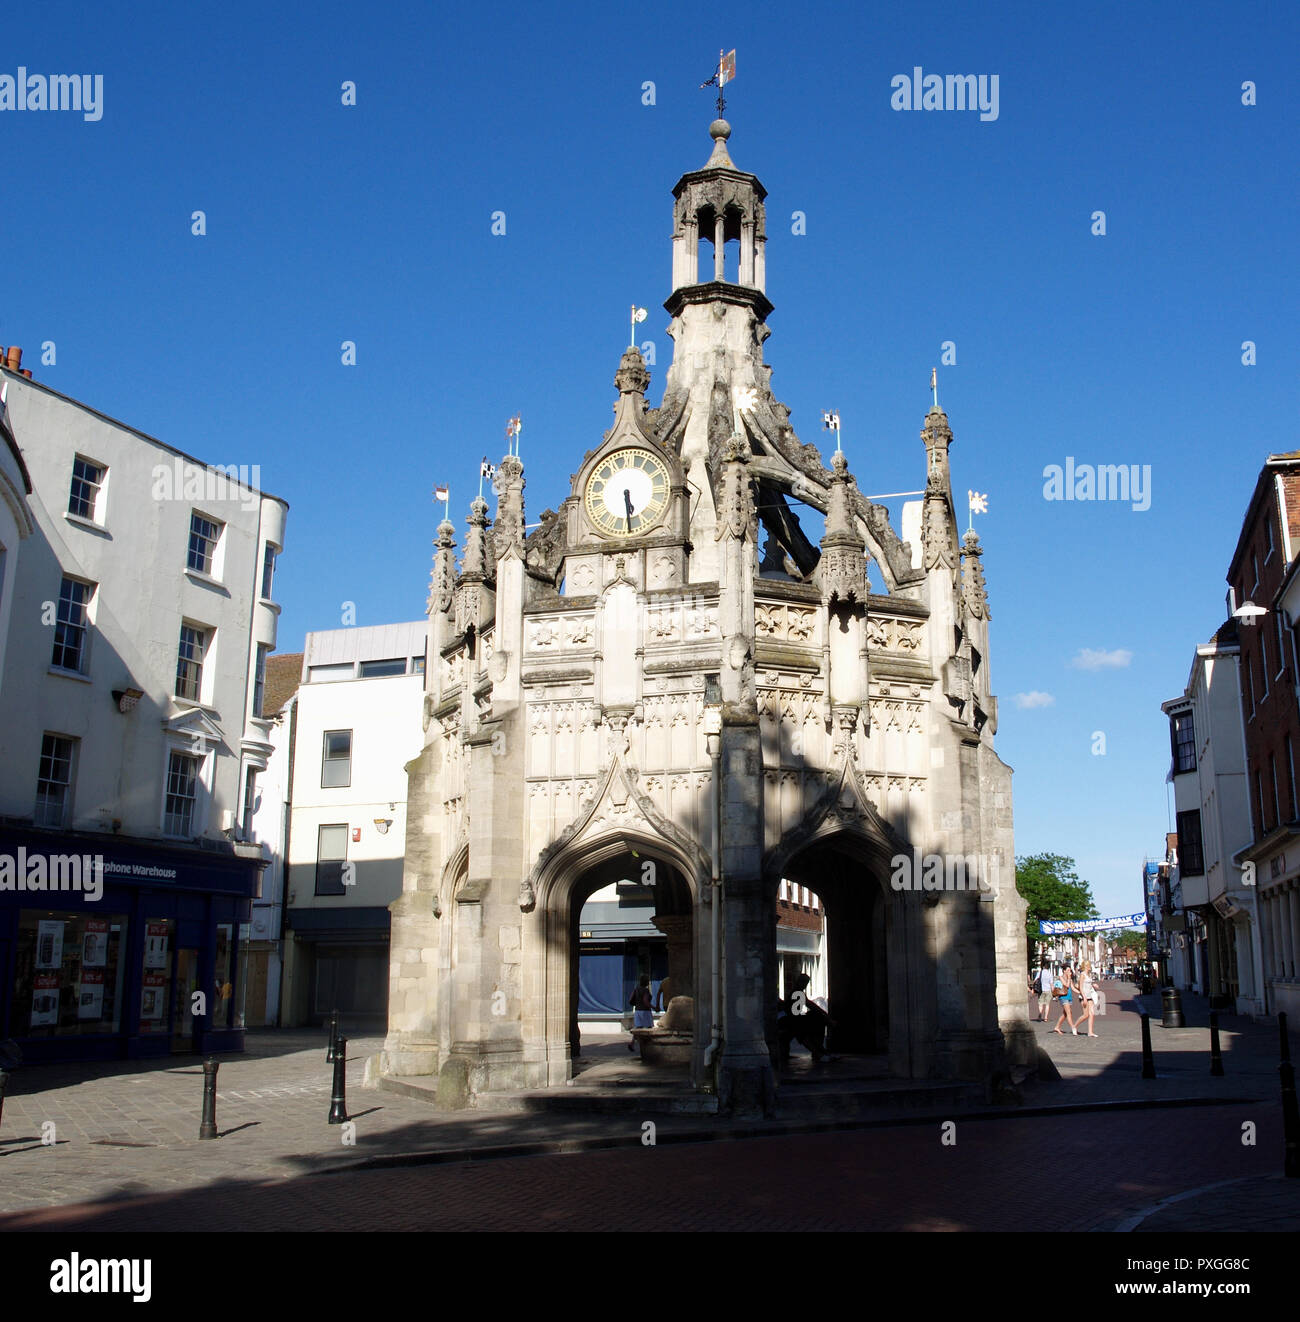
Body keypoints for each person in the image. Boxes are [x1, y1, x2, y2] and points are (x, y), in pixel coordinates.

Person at [777, 972, 835, 1063]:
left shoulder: (797, 993)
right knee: (802, 1030)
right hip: (792, 1020)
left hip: (793, 1019)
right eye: (804, 982)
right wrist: (826, 1016)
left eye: (806, 982)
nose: (805, 985)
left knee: (815, 1020)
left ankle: (819, 1051)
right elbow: (809, 1005)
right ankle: (818, 1052)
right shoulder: (797, 993)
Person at [627, 974, 654, 1051]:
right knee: (649, 1028)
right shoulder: (646, 990)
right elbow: (645, 1001)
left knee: (638, 1028)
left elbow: (630, 1000)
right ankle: (649, 1045)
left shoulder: (636, 989)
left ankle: (632, 1043)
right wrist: (653, 1007)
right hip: (645, 1011)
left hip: (637, 1010)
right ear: (646, 982)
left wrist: (636, 1003)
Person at [1052, 963, 1078, 1035]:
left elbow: (1072, 988)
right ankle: (1073, 1028)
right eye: (1068, 970)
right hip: (1063, 997)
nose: (1070, 972)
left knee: (1065, 1013)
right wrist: (1069, 978)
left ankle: (1057, 1027)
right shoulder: (1061, 977)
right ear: (1064, 971)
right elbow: (1066, 985)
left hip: (1069, 997)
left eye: (1070, 970)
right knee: (1068, 1013)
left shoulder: (1070, 979)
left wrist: (1080, 992)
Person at [1075, 961, 1099, 1037]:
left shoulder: (1089, 974)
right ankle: (1074, 1026)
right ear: (1086, 966)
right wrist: (1084, 998)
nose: (1090, 967)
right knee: (1086, 1015)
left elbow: (1089, 984)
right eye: (1089, 965)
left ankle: (1090, 1032)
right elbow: (1081, 987)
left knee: (1092, 1014)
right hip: (1084, 997)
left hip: (1090, 996)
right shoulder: (1082, 975)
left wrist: (1094, 985)